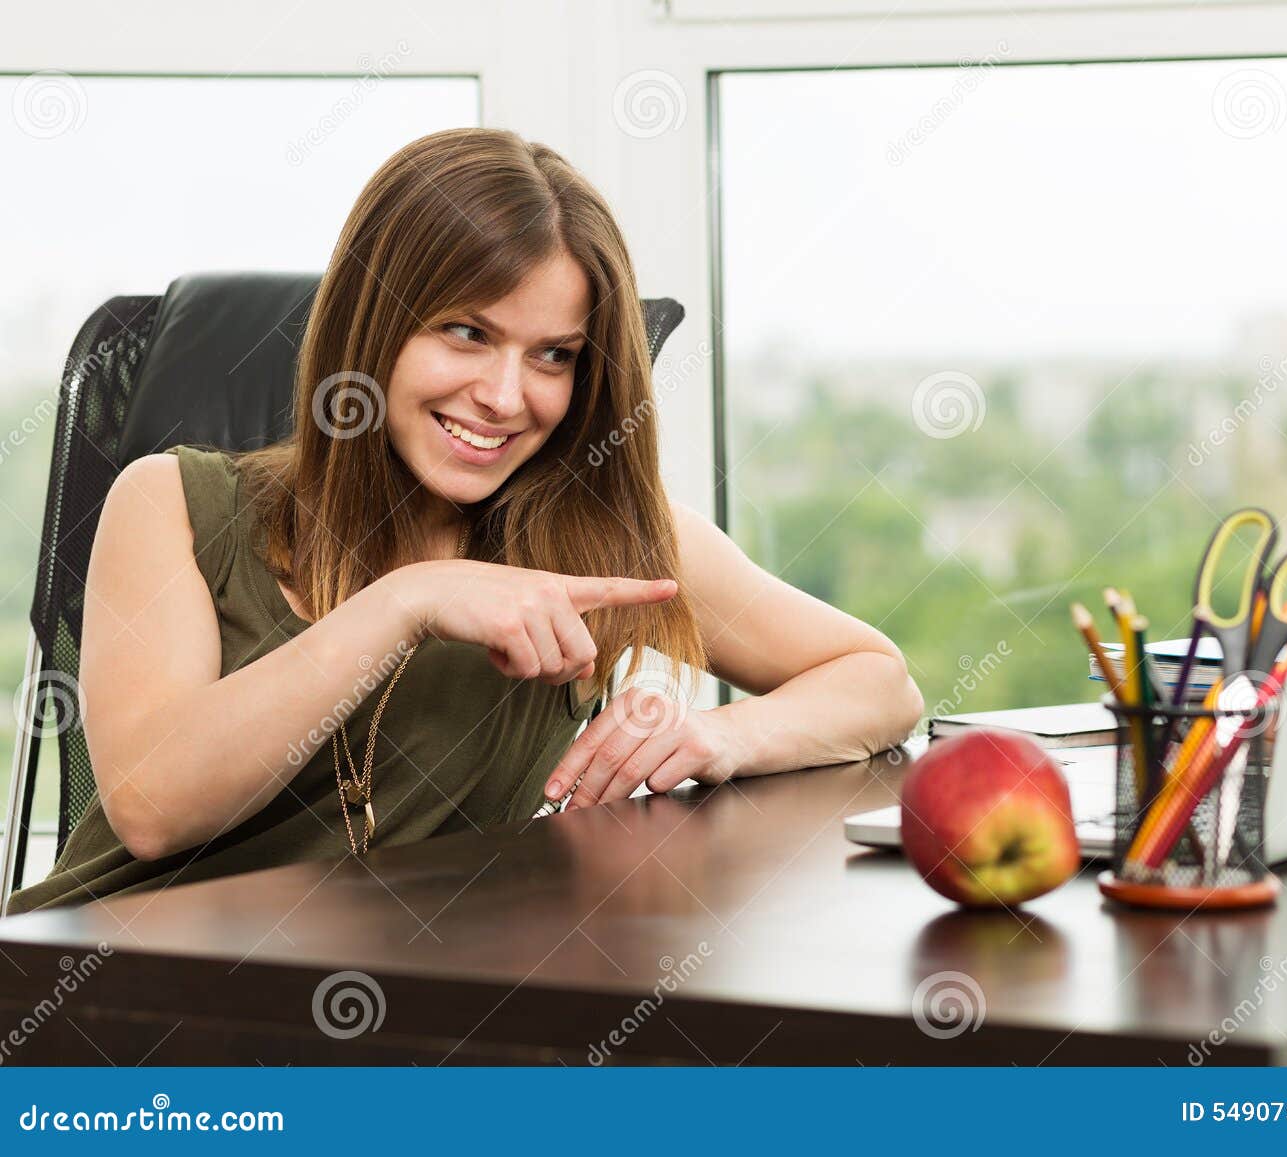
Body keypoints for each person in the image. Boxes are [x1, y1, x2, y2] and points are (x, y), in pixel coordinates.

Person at [6, 128, 922, 915]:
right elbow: (152, 804)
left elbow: (878, 681)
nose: (504, 396)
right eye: (466, 332)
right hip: (102, 1011)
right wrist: (408, 600)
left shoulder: (602, 540)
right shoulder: (167, 500)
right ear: (371, 324)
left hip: (395, 1017)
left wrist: (719, 737)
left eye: (554, 354)